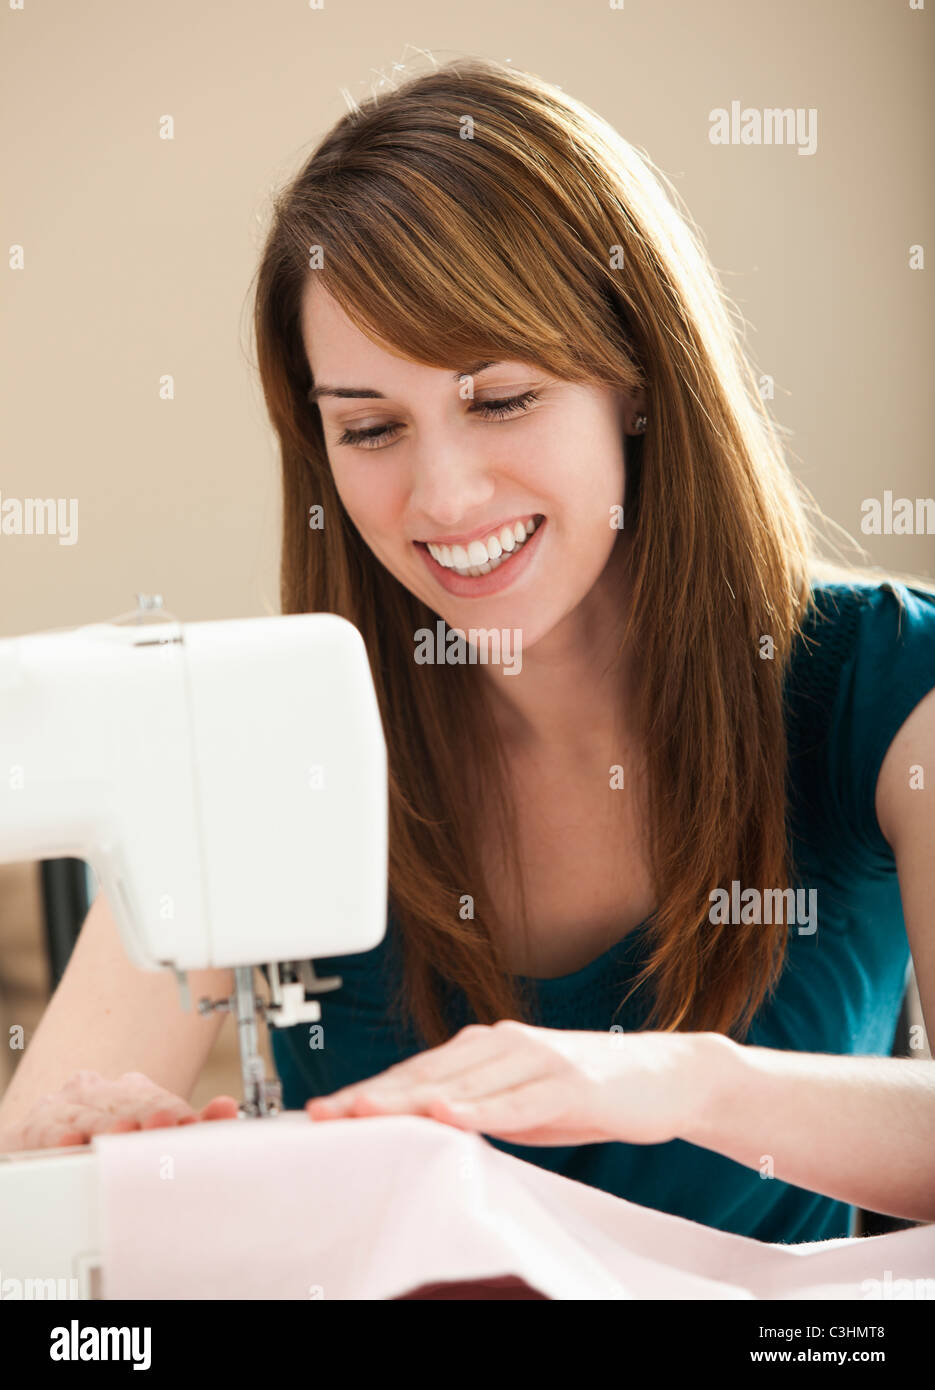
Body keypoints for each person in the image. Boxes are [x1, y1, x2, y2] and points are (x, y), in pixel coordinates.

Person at [2, 57, 933, 1245]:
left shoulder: (888, 688)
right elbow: (31, 1203)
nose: (440, 493)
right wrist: (63, 1174)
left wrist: (679, 1084)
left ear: (634, 378)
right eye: (371, 427)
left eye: (498, 399)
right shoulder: (259, 741)